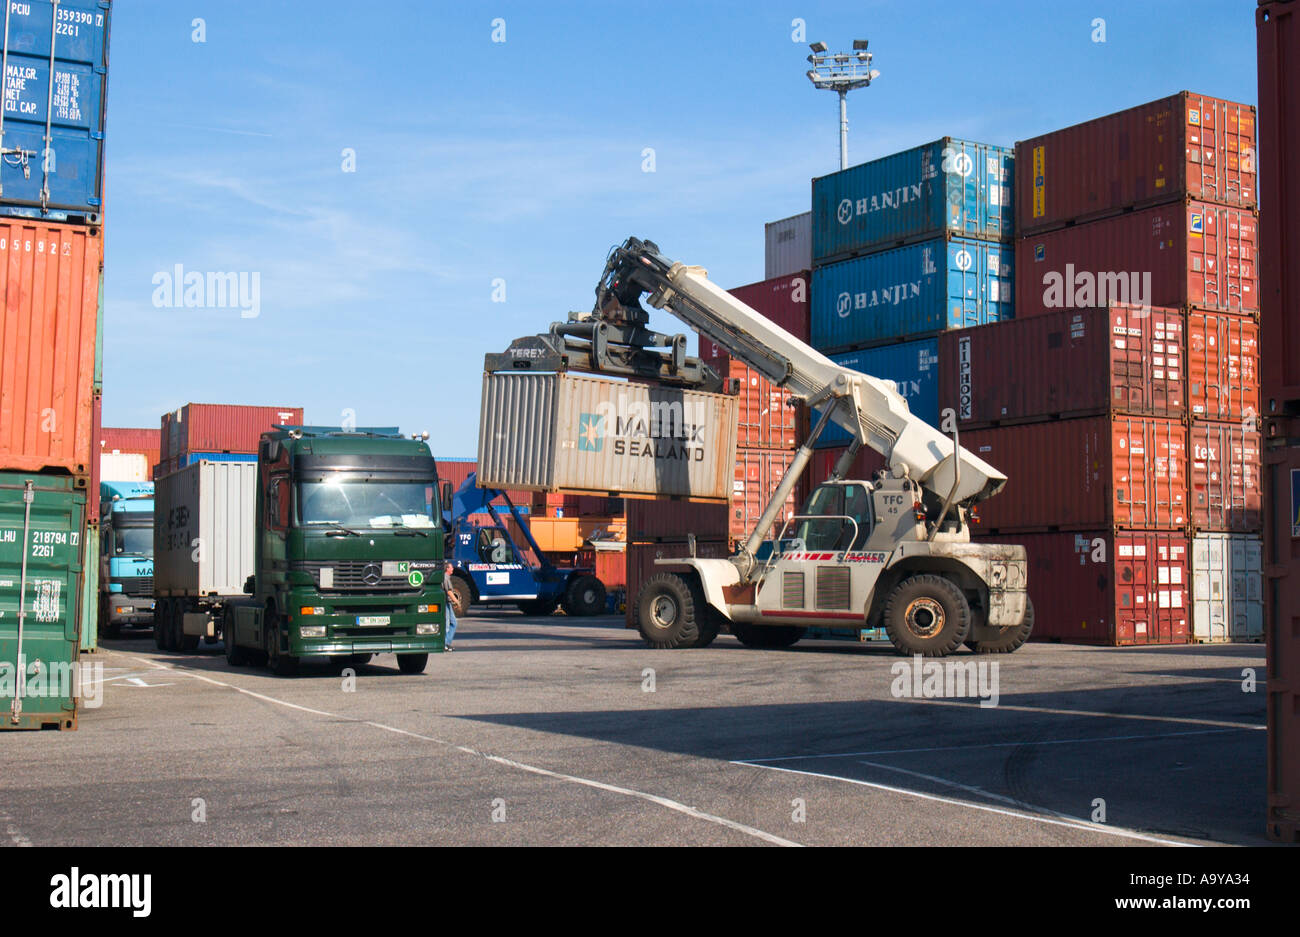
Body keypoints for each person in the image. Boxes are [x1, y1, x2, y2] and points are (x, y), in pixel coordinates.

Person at [443, 561, 457, 651]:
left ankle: (447, 642)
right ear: (447, 568)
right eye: (451, 567)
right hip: (445, 603)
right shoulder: (445, 578)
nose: (453, 569)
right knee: (447, 624)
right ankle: (444, 644)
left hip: (448, 603)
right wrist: (457, 602)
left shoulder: (447, 577)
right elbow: (449, 591)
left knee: (453, 622)